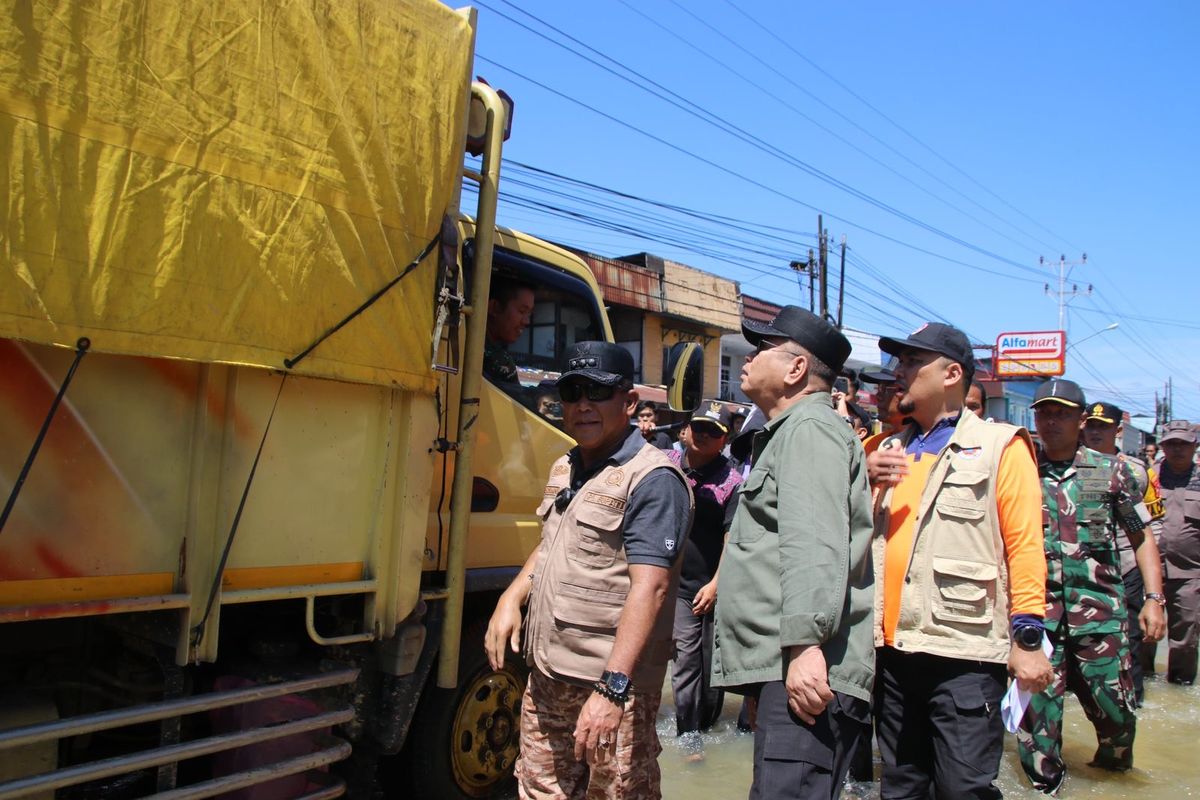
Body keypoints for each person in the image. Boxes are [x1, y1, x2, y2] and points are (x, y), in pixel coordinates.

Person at [484, 341, 693, 800]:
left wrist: (613, 690)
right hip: (548, 678)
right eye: (572, 392)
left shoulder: (654, 479)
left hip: (610, 689)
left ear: (630, 402)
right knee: (538, 791)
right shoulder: (567, 465)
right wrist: (511, 597)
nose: (582, 405)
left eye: (597, 392)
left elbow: (651, 588)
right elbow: (551, 547)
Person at [867, 322, 1052, 800]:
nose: (898, 372)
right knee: (901, 788)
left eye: (911, 362)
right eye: (898, 362)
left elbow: (1025, 546)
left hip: (965, 654)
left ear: (952, 374)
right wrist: (862, 480)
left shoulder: (1001, 446)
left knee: (964, 789)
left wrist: (1028, 640)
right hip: (891, 650)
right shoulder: (882, 448)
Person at [712, 305, 874, 800]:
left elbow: (815, 545)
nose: (747, 359)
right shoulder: (792, 430)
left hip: (806, 668)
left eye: (761, 348)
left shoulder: (809, 429)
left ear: (796, 368)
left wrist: (804, 648)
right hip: (789, 668)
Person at [1018, 379, 1166, 794]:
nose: (1051, 422)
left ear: (1081, 420)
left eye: (1062, 413)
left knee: (1116, 714)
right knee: (1037, 725)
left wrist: (1154, 599)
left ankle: (1112, 776)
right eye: (1044, 413)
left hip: (1101, 617)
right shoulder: (1021, 470)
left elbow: (1142, 537)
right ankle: (1044, 787)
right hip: (1037, 619)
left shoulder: (1111, 473)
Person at [666, 402, 743, 761]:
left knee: (712, 662)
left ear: (726, 438)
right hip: (671, 582)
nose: (704, 436)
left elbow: (733, 538)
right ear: (686, 429)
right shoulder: (666, 465)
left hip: (713, 583)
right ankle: (688, 734)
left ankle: (707, 723)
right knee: (685, 659)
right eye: (699, 427)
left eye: (713, 431)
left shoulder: (732, 481)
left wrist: (716, 584)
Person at [1080, 400, 1166, 705]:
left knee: (1127, 643)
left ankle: (1133, 701)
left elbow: (1150, 528)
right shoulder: (1065, 464)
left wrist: (1152, 586)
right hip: (1080, 569)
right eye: (1090, 425)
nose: (1094, 432)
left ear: (1117, 431)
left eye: (1102, 427)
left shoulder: (1136, 472)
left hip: (1125, 565)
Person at [1156, 419, 1200, 685]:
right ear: (1162, 446)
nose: (1177, 449)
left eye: (1183, 444)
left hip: (1190, 574)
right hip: (1149, 571)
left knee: (1185, 639)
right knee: (1144, 633)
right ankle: (1144, 685)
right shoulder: (1148, 478)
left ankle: (1179, 688)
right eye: (1171, 444)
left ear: (1194, 446)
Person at [483, 279, 535, 385]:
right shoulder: (501, 363)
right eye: (522, 311)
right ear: (495, 307)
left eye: (529, 314)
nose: (526, 321)